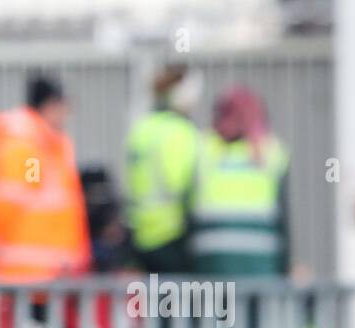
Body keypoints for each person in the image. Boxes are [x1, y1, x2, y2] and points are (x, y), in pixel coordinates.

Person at [0, 75, 90, 282]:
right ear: (48, 106)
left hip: (48, 267)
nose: (65, 115)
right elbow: (24, 191)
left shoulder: (42, 143)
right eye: (62, 107)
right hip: (30, 269)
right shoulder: (31, 146)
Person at [189, 86, 289, 276]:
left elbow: (187, 207)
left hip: (211, 261)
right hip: (260, 261)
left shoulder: (203, 146)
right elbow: (284, 217)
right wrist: (285, 267)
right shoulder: (271, 150)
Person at [124, 65, 201, 275]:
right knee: (178, 305)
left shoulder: (141, 128)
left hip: (141, 237)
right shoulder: (182, 132)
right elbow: (189, 188)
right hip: (173, 235)